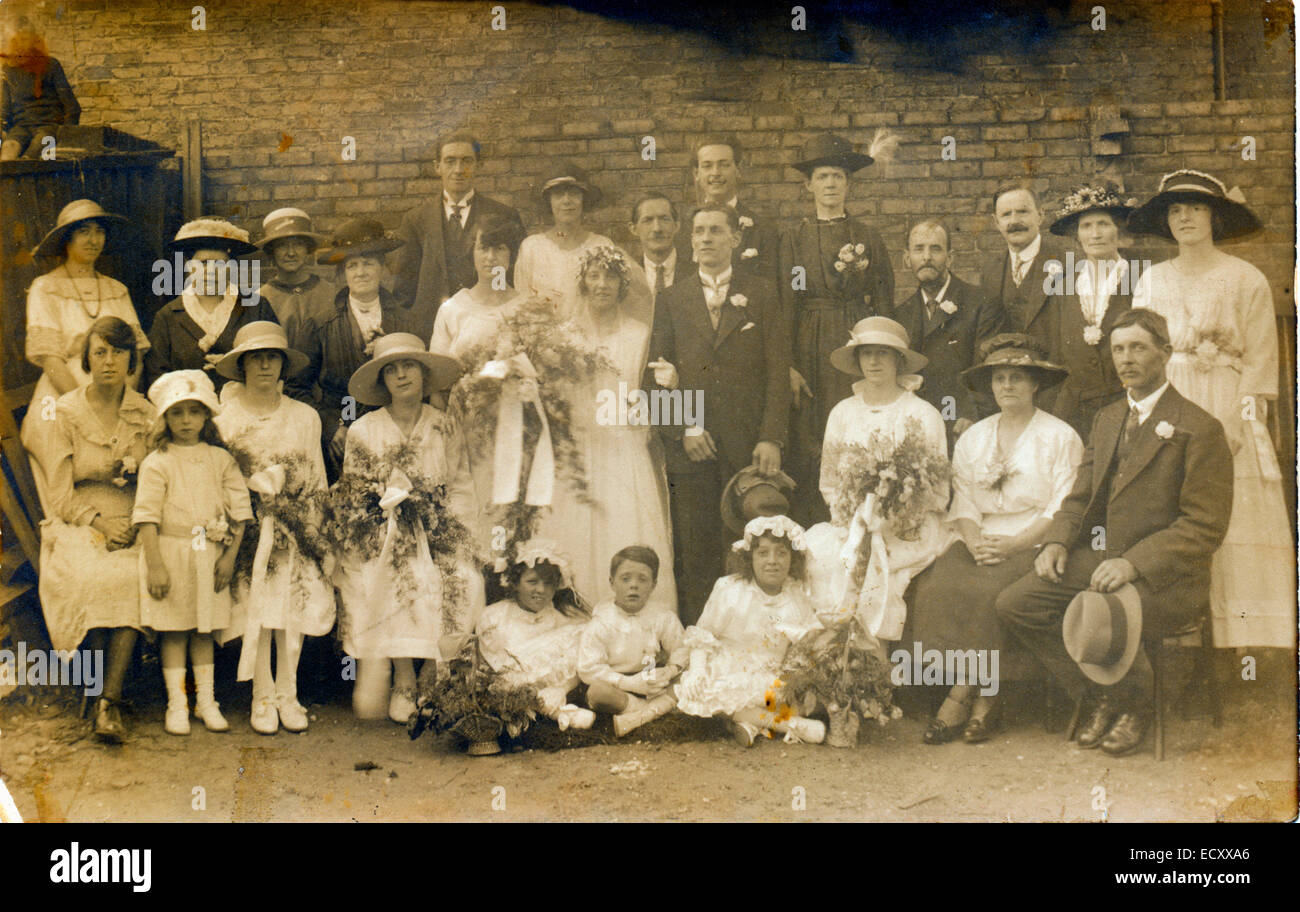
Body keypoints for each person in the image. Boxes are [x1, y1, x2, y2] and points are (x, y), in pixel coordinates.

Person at [995, 308, 1234, 757]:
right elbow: (1080, 497)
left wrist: (1133, 563)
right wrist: (1058, 540)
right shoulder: (1107, 419)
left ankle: (1135, 707)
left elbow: (1204, 525)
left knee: (1105, 609)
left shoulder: (1200, 428)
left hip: (1166, 575)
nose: (1126, 358)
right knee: (1018, 603)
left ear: (1165, 352)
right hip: (1102, 562)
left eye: (1138, 347)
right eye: (1119, 349)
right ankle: (1100, 695)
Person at [1129, 169, 1295, 651]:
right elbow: (1139, 352)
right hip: (1170, 399)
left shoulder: (1246, 279)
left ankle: (1240, 636)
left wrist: (1243, 419)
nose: (1186, 219)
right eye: (1176, 211)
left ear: (1214, 217)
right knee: (1171, 507)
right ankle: (1177, 635)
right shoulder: (1153, 281)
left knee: (1233, 510)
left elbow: (1262, 360)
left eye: (1196, 209)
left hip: (1226, 400)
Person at [908, 334, 1082, 744]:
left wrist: (1016, 544)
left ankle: (970, 697)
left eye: (1017, 378)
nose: (1007, 386)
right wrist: (972, 541)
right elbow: (964, 499)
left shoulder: (1060, 437)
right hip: (979, 535)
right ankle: (979, 692)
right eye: (999, 378)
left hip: (1034, 540)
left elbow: (1061, 507)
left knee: (991, 592)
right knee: (939, 584)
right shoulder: (975, 437)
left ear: (1035, 384)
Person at [645, 203, 791, 625]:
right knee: (696, 552)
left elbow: (777, 373)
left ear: (735, 239)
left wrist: (770, 437)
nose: (706, 238)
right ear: (689, 241)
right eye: (698, 231)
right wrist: (686, 427)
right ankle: (698, 646)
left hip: (749, 447)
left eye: (715, 230)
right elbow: (654, 376)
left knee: (752, 547)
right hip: (692, 451)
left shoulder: (762, 293)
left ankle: (755, 639)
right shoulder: (671, 299)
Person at [332, 334, 482, 725]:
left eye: (409, 367)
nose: (401, 376)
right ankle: (403, 678)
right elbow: (354, 495)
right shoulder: (364, 430)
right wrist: (382, 528)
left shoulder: (443, 425)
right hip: (385, 533)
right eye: (392, 370)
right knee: (395, 571)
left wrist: (453, 534)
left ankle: (434, 670)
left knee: (463, 576)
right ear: (382, 381)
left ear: (424, 373)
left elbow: (461, 484)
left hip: (438, 529)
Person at [37, 317, 157, 742]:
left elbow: (158, 480)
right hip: (81, 519)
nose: (109, 361)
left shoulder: (145, 412)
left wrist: (142, 522)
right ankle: (101, 693)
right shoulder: (65, 411)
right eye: (100, 352)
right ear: (87, 359)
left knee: (132, 573)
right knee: (90, 573)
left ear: (131, 358)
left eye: (119, 352)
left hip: (137, 518)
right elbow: (59, 493)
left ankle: (109, 699)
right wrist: (99, 522)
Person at [212, 322, 333, 735]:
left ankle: (289, 691)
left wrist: (308, 530)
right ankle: (261, 693)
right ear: (242, 365)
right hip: (245, 531)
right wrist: (241, 526)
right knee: (256, 601)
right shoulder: (225, 419)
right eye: (256, 357)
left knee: (291, 599)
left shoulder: (305, 417)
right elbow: (220, 483)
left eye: (272, 357)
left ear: (283, 365)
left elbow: (316, 479)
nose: (264, 365)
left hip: (295, 525)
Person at [808, 317, 950, 645]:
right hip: (853, 522)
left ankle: (873, 670)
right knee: (823, 558)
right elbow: (829, 481)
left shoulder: (923, 413)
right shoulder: (842, 412)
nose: (873, 361)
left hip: (907, 527)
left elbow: (938, 490)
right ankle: (829, 667)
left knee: (876, 568)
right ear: (857, 360)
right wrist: (854, 518)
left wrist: (889, 517)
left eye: (883, 353)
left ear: (899, 360)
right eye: (866, 353)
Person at [779, 134, 895, 525]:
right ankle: (817, 524)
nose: (831, 184)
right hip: (808, 343)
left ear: (849, 184)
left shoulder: (867, 237)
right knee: (812, 434)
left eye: (839, 177)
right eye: (823, 176)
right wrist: (788, 365)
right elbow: (784, 304)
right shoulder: (792, 239)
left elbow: (883, 301)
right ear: (808, 184)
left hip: (855, 340)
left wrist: (881, 354)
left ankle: (862, 521)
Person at [133, 370, 252, 736]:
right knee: (174, 631)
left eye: (193, 412)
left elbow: (240, 510)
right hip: (170, 553)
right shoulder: (158, 461)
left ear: (206, 416)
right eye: (177, 413)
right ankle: (177, 703)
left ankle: (206, 702)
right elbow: (147, 516)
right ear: (165, 419)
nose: (186, 421)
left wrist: (228, 557)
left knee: (203, 631)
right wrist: (155, 565)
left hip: (209, 557)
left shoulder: (220, 459)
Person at [556, 245, 675, 612]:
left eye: (610, 277)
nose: (602, 284)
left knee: (626, 523)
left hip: (624, 445)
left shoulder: (639, 334)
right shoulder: (564, 336)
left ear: (622, 285)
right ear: (583, 284)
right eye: (593, 276)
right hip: (580, 447)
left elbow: (652, 396)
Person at [20, 199, 148, 507]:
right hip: (62, 392)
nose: (93, 240)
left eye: (99, 231)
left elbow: (136, 354)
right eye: (83, 232)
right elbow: (50, 357)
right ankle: (66, 523)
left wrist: (121, 401)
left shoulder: (117, 289)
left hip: (117, 389)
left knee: (142, 437)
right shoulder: (45, 287)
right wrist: (86, 407)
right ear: (67, 239)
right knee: (53, 433)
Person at [676, 515, 825, 746]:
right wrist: (696, 670)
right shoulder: (730, 589)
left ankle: (750, 722)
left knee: (805, 700)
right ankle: (789, 725)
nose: (772, 561)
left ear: (792, 558)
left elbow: (806, 643)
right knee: (713, 691)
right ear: (750, 558)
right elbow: (703, 636)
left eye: (781, 553)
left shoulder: (797, 595)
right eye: (763, 553)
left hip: (773, 676)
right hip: (730, 667)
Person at [290, 218, 417, 479]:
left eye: (369, 263)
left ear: (383, 267)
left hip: (396, 431)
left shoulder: (405, 321)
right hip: (343, 436)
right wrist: (331, 428)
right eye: (352, 265)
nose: (361, 272)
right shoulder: (321, 323)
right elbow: (296, 387)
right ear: (343, 274)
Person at [392, 133, 527, 341]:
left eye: (466, 161)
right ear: (437, 167)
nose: (458, 170)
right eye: (450, 161)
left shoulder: (504, 215)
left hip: (490, 331)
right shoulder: (416, 219)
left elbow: (512, 277)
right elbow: (405, 290)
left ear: (478, 166)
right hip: (431, 333)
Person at [892, 218, 1005, 445]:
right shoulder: (900, 315)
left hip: (964, 423)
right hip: (916, 427)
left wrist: (973, 415)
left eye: (935, 249)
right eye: (918, 249)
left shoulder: (981, 303)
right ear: (907, 258)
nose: (926, 257)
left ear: (949, 257)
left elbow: (986, 368)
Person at [1044, 183, 1137, 438]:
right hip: (1076, 408)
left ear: (1118, 231)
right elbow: (1057, 351)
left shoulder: (1138, 278)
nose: (1095, 234)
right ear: (1077, 235)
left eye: (1103, 224)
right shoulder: (1063, 284)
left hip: (1127, 403)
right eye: (1086, 226)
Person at [143, 218, 278, 391]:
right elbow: (157, 376)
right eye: (203, 263)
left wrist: (236, 368)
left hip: (245, 410)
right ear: (189, 266)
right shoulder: (168, 316)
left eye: (220, 264)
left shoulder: (256, 307)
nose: (211, 271)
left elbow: (274, 362)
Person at [475, 540, 595, 731]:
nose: (541, 590)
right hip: (510, 684)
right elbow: (498, 668)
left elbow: (579, 660)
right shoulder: (495, 616)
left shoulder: (560, 619)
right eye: (532, 582)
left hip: (552, 688)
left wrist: (561, 689)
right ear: (515, 583)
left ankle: (556, 704)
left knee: (583, 635)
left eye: (548, 583)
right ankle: (552, 711)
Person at [577, 545, 687, 737]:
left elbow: (682, 649)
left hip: (653, 682)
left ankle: (641, 715)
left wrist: (670, 671)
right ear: (612, 583)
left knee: (691, 677)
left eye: (642, 579)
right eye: (625, 578)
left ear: (653, 585)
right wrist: (629, 683)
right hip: (619, 685)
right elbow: (589, 669)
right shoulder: (601, 622)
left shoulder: (662, 616)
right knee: (597, 692)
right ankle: (651, 710)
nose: (633, 585)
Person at [979, 181, 1070, 370]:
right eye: (1006, 214)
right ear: (996, 222)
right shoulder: (991, 271)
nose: (1014, 221)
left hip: (1055, 379)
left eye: (1022, 212)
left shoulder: (1067, 263)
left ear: (1040, 216)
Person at [514, 162, 616, 321]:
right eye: (559, 194)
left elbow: (611, 303)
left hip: (592, 339)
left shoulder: (602, 246)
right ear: (549, 201)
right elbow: (522, 303)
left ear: (584, 200)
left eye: (574, 194)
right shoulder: (531, 248)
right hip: (545, 340)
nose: (566, 201)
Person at [428, 216, 527, 365]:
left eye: (500, 248)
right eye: (483, 248)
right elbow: (438, 370)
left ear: (511, 255)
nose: (491, 257)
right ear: (472, 253)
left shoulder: (527, 308)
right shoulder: (452, 309)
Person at [691, 135, 775, 277]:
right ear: (696, 173)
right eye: (707, 166)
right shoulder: (683, 228)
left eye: (724, 165)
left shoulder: (763, 230)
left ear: (738, 170)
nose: (716, 173)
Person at [253, 208, 336, 348]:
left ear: (308, 249)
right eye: (281, 246)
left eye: (298, 244)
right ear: (271, 252)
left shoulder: (331, 292)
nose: (291, 253)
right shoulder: (261, 298)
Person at [0, 21, 80, 160]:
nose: (18, 46)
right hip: (21, 128)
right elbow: (5, 109)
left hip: (48, 126)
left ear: (34, 43)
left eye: (24, 40)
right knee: (7, 157)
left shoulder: (51, 65)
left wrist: (66, 135)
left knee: (31, 158)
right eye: (15, 41)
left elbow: (72, 107)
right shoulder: (9, 70)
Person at [627, 192, 688, 305]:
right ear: (633, 229)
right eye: (648, 220)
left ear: (676, 226)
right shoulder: (627, 278)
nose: (657, 228)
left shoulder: (696, 273)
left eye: (664, 219)